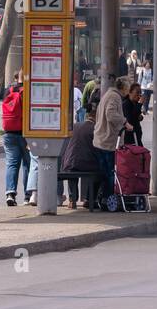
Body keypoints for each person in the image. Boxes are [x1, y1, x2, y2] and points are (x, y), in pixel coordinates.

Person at [93, 77, 128, 211]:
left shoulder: (107, 94)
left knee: (103, 172)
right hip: (107, 141)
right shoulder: (115, 97)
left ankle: (96, 198)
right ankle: (107, 200)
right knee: (110, 173)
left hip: (100, 139)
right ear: (123, 88)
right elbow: (111, 114)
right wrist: (125, 122)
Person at [59, 99, 101, 209]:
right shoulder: (95, 129)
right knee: (100, 171)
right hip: (87, 165)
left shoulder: (75, 126)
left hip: (70, 164)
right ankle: (89, 199)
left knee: (72, 168)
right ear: (96, 117)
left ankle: (72, 200)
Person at [0, 71, 31, 206]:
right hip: (25, 132)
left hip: (9, 132)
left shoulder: (9, 90)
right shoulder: (28, 90)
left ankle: (10, 193)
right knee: (27, 164)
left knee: (12, 163)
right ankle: (28, 195)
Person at [122, 82, 144, 146]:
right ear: (130, 92)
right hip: (130, 137)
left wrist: (140, 117)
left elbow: (136, 114)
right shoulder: (126, 104)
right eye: (137, 92)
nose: (139, 95)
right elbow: (130, 119)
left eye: (140, 92)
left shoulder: (135, 103)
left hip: (137, 135)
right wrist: (140, 104)